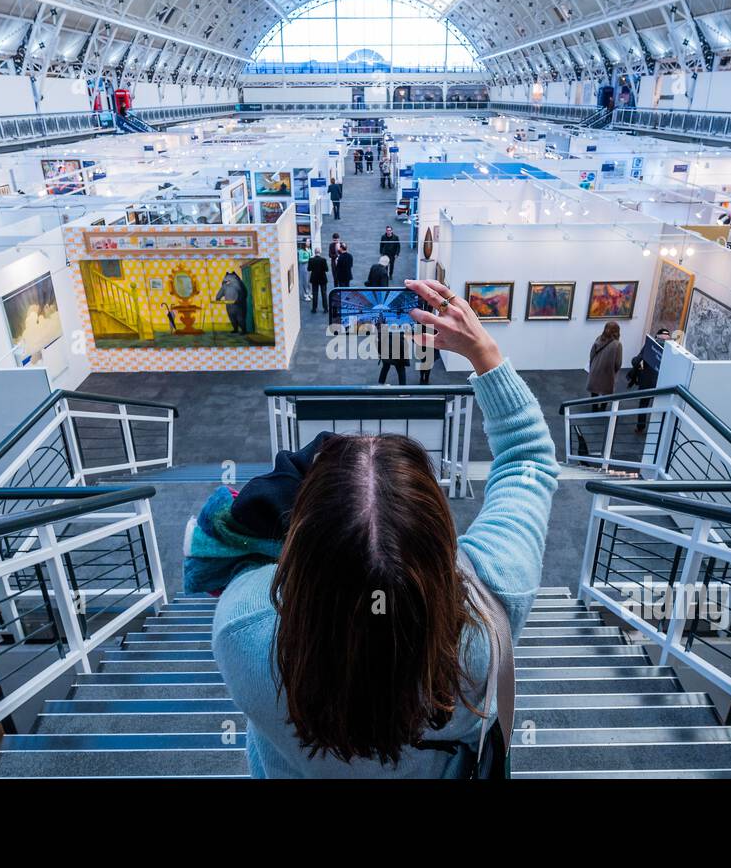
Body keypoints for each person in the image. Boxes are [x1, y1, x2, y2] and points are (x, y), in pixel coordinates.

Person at [185, 278, 559, 777]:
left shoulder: (245, 630)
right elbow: (527, 460)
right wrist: (484, 353)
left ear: (298, 541)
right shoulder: (494, 603)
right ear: (439, 533)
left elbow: (231, 537)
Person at [628, 328, 670, 433]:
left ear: (657, 337)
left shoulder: (651, 346)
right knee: (661, 405)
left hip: (647, 381)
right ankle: (659, 430)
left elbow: (636, 360)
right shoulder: (671, 350)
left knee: (644, 404)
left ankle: (640, 427)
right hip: (662, 383)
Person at [586, 321, 623, 399]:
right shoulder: (617, 345)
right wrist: (614, 371)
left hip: (596, 369)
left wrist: (592, 365)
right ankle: (602, 409)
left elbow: (592, 354)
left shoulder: (599, 339)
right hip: (608, 372)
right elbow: (618, 363)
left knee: (594, 392)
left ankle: (594, 408)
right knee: (606, 393)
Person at [307, 248, 329, 313]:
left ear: (314, 252)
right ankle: (325, 308)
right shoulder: (323, 260)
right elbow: (326, 269)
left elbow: (309, 269)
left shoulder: (311, 260)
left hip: (314, 279)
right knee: (324, 293)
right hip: (322, 278)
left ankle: (314, 309)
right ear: (320, 252)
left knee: (315, 293)